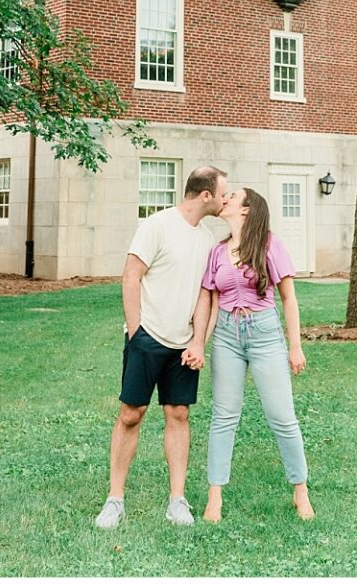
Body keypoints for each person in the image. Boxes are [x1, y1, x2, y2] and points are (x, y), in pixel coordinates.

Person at [95, 165, 226, 529]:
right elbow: (131, 274)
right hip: (146, 337)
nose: (224, 199)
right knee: (130, 413)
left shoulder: (207, 239)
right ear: (205, 194)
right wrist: (136, 331)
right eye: (222, 193)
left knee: (179, 415)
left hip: (183, 345)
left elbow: (205, 296)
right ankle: (114, 500)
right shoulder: (157, 225)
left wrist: (199, 341)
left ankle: (177, 500)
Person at [187, 186, 313, 522]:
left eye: (233, 196)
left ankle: (300, 490)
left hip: (265, 336)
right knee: (223, 417)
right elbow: (209, 300)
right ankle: (215, 497)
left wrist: (295, 346)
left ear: (247, 210)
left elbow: (288, 298)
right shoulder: (218, 252)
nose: (224, 198)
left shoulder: (270, 245)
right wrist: (200, 341)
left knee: (282, 417)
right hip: (227, 337)